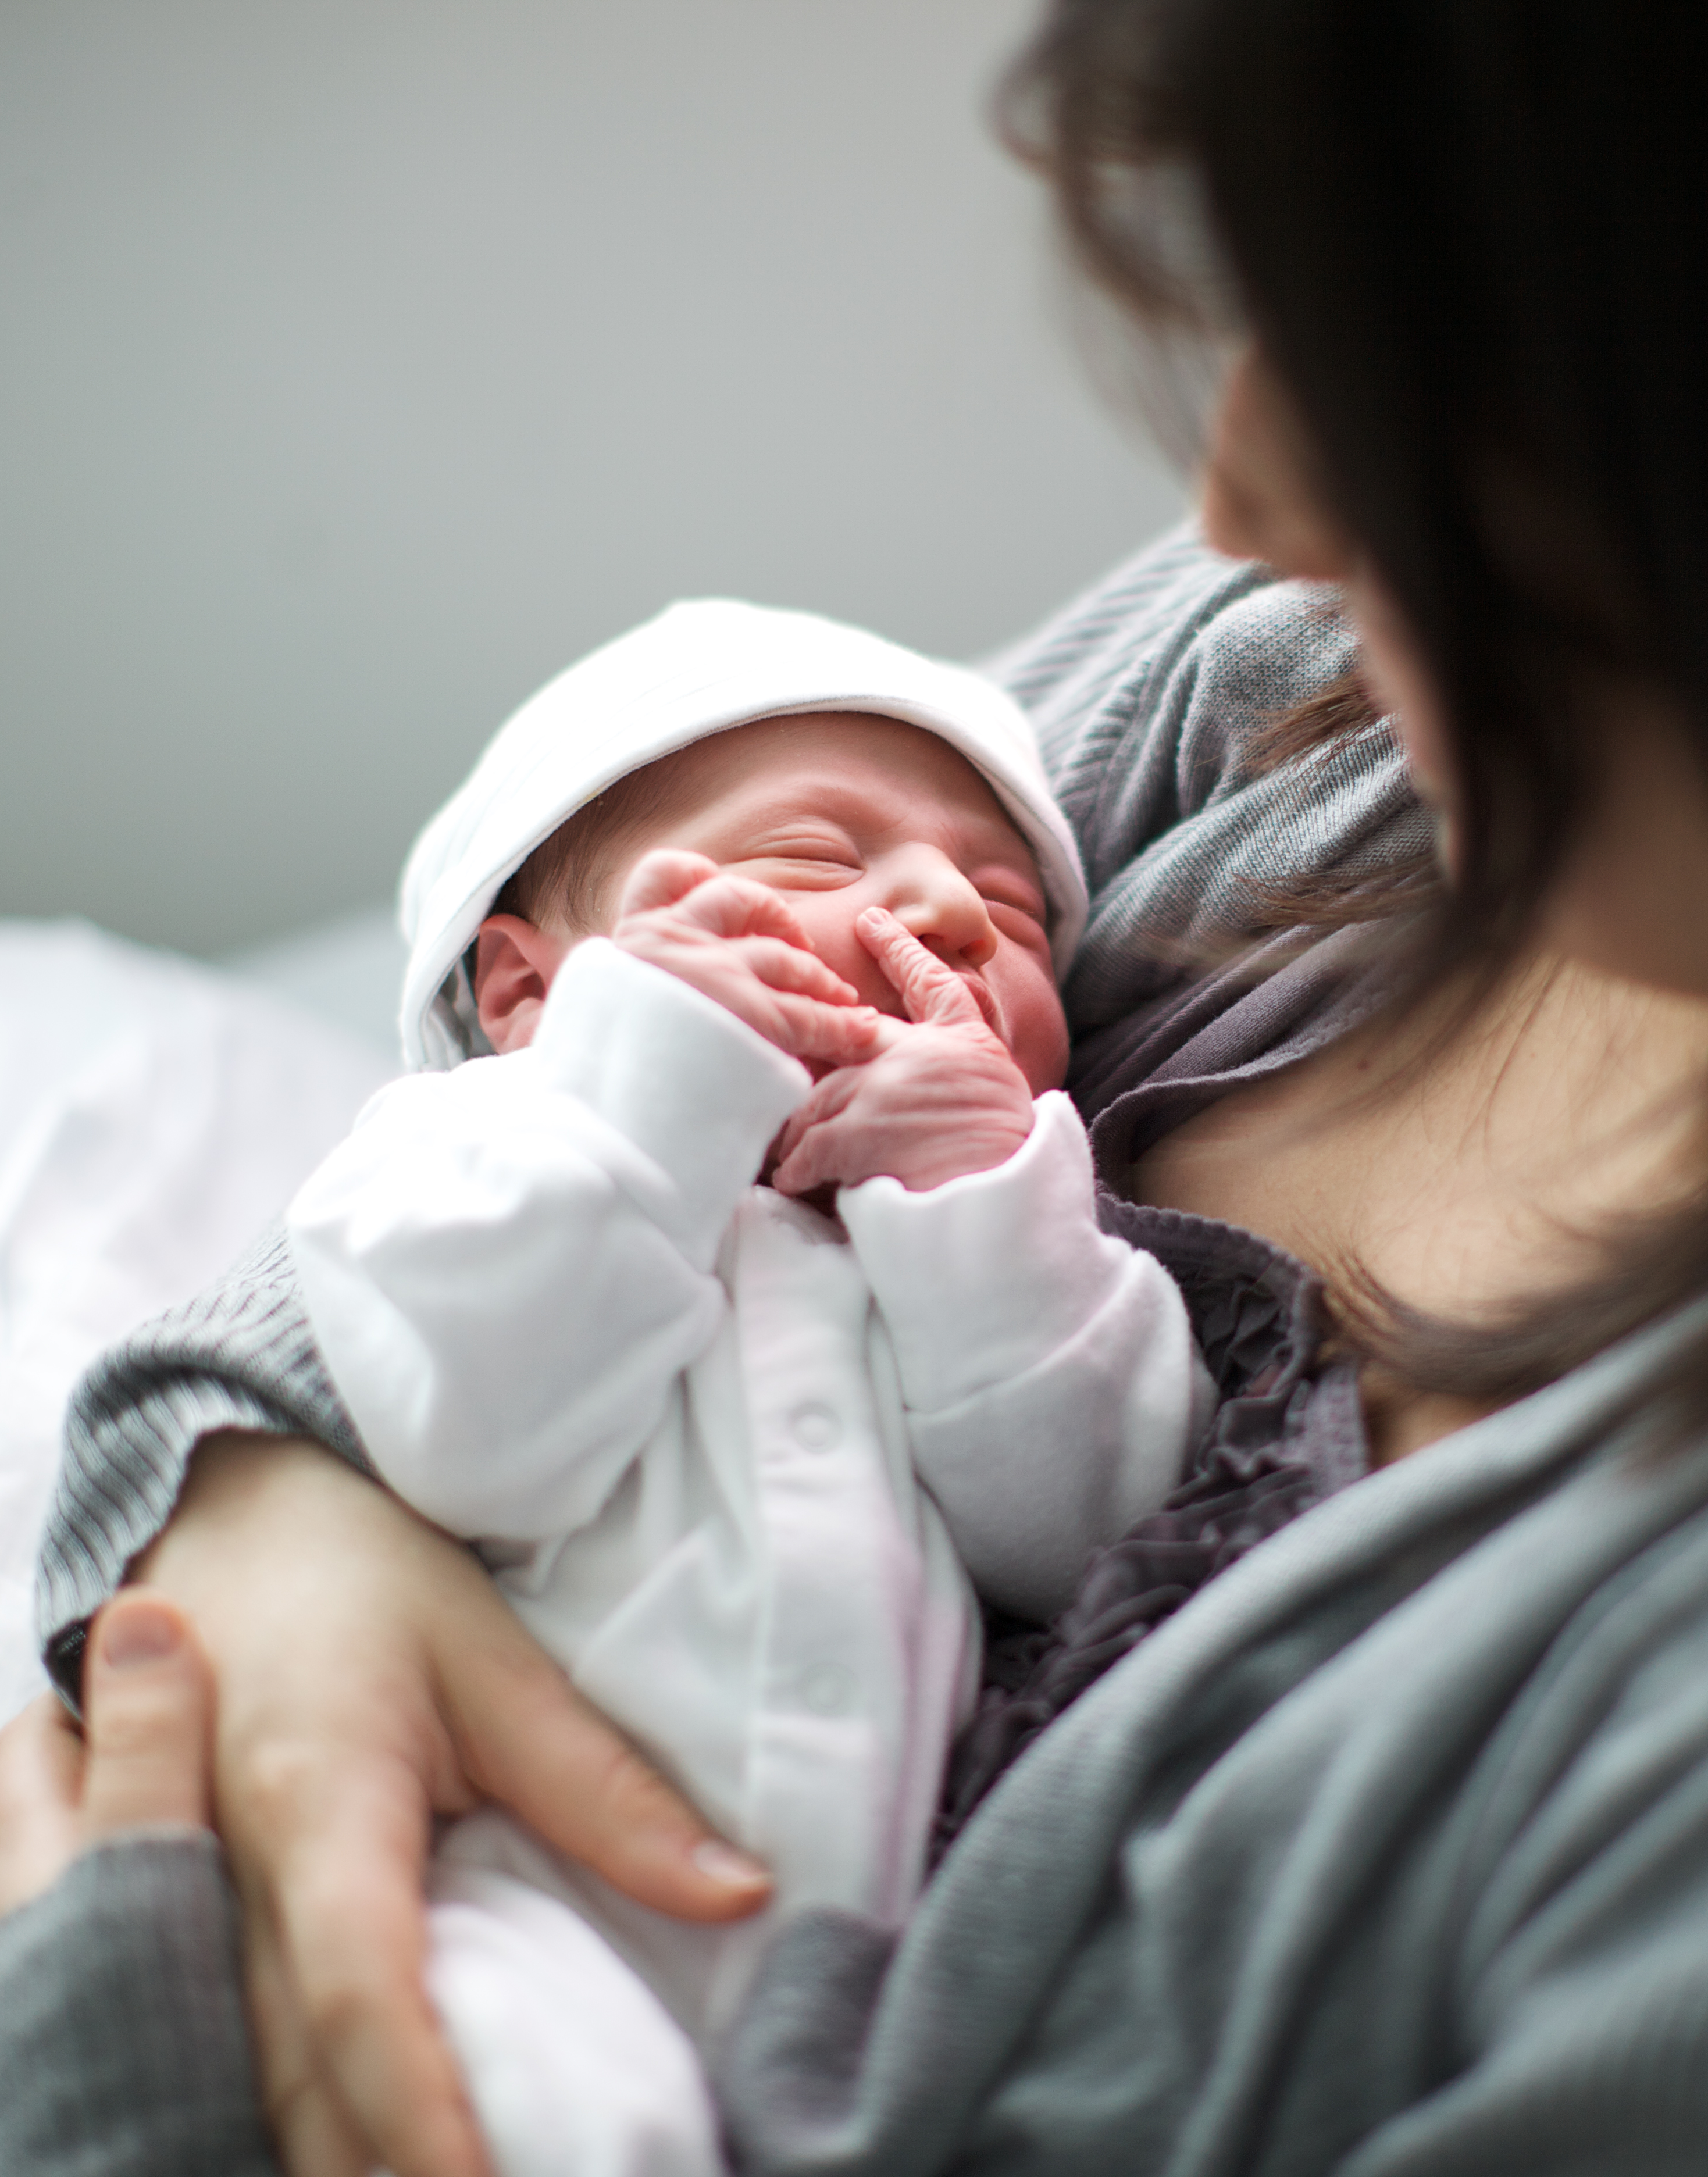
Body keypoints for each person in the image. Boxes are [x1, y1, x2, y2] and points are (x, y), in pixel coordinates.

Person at [0, 2, 1708, 2173]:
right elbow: (534, 1010)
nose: (1247, 496)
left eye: (1387, 386)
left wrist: (126, 2065)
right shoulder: (1380, 714)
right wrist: (266, 1497)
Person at [276, 599, 1208, 2176]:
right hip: (516, 1899)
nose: (948, 917)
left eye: (1011, 914)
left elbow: (1097, 1536)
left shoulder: (1027, 1224)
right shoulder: (463, 1154)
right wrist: (654, 1085)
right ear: (528, 994)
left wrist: (984, 1206)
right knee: (540, 2118)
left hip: (894, 1967)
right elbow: (470, 1439)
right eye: (816, 863)